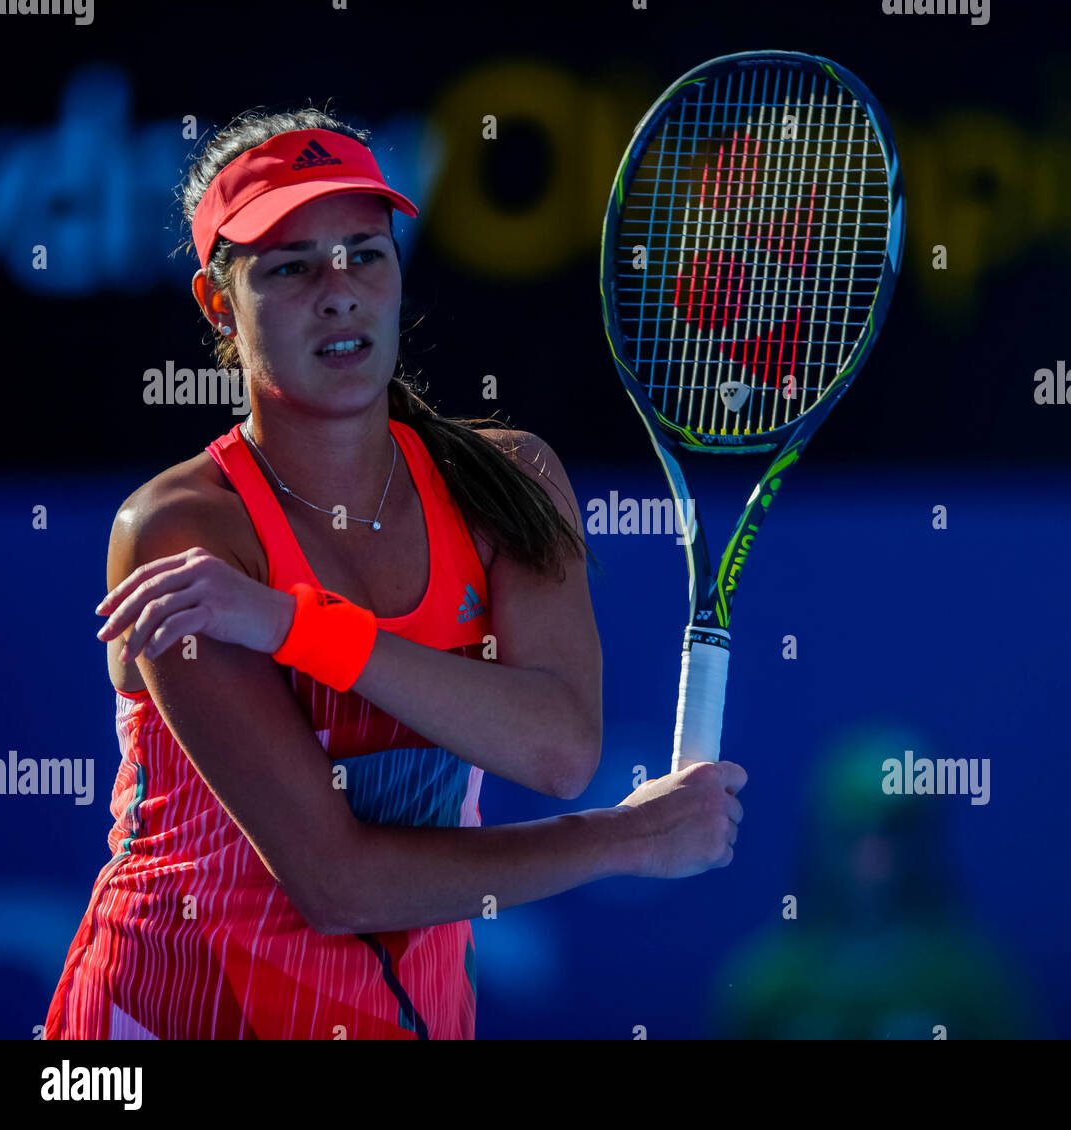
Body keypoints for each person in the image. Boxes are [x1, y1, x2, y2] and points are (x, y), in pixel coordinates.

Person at [43, 108, 745, 1040]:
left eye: (364, 253)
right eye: (290, 266)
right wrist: (627, 840)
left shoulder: (509, 482)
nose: (339, 292)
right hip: (165, 1019)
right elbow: (338, 885)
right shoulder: (181, 529)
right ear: (220, 304)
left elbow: (559, 749)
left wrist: (292, 625)